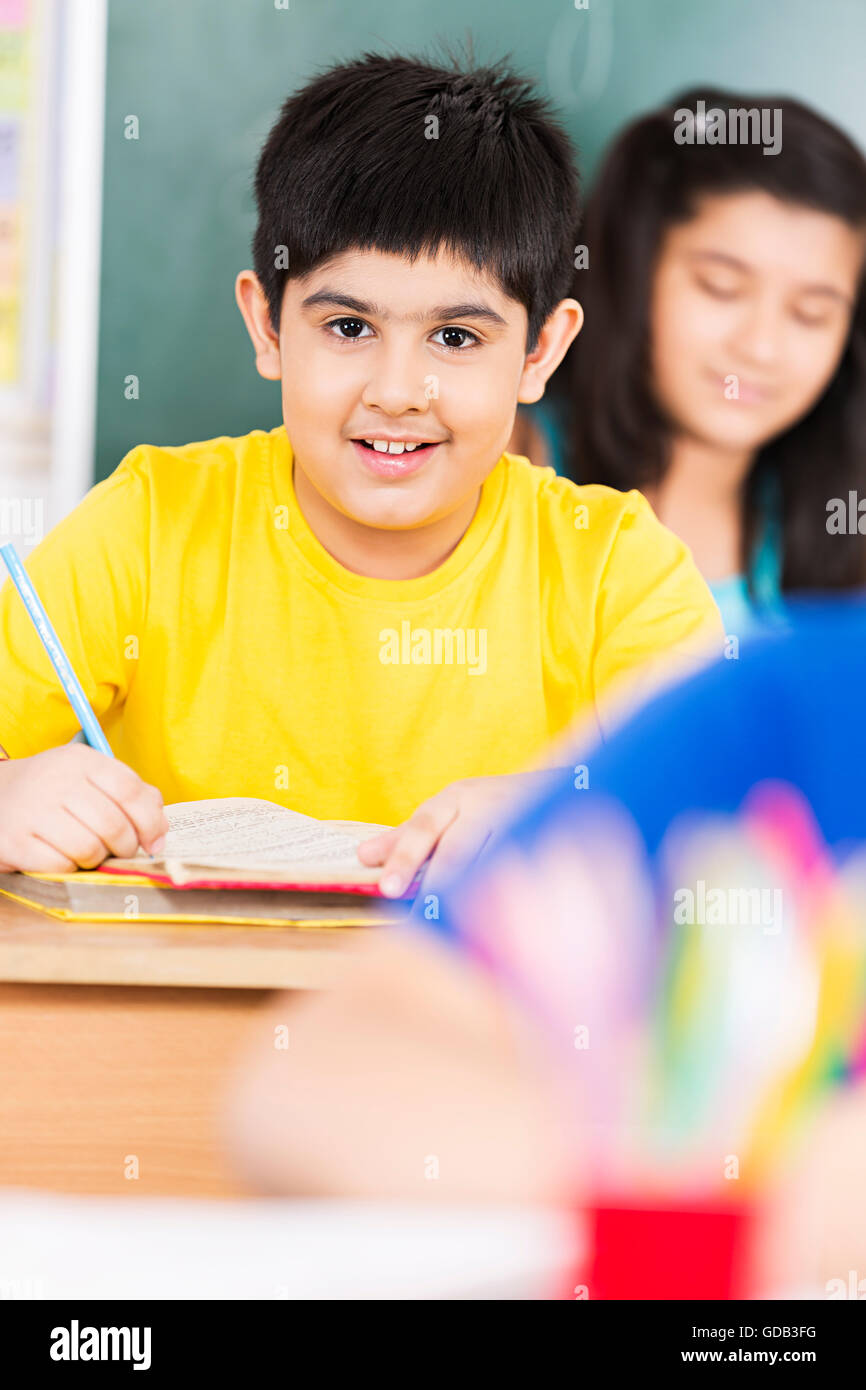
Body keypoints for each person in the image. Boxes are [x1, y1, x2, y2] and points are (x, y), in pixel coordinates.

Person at [0, 52, 722, 890]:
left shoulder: (616, 572)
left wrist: (564, 812)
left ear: (540, 352)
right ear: (268, 326)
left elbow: (740, 825)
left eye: (456, 338)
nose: (396, 392)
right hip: (180, 1017)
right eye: (348, 327)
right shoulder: (148, 526)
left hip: (475, 1021)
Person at [559, 89, 866, 634]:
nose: (760, 347)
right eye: (720, 287)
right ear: (634, 267)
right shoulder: (502, 467)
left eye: (812, 313)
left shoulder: (839, 550)